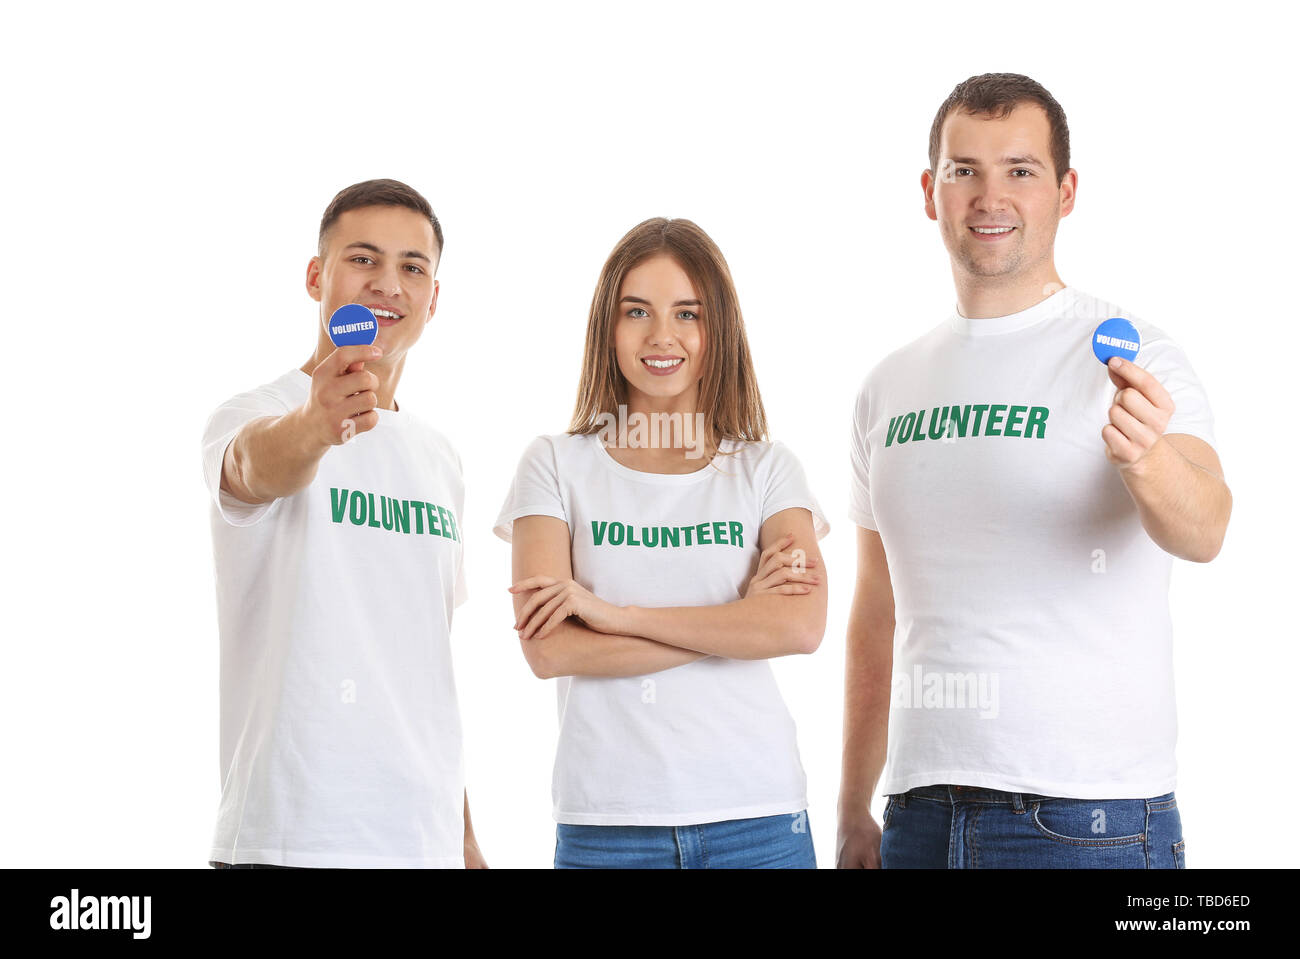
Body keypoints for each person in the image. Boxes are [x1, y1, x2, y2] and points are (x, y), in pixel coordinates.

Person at [836, 74, 1232, 869]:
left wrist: (1145, 458)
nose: (991, 196)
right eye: (964, 170)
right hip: (920, 813)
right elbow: (877, 610)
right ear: (930, 190)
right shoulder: (887, 386)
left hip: (1089, 818)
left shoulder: (1131, 355)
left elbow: (1206, 527)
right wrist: (852, 806)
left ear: (1066, 191)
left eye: (1020, 170)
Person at [494, 217, 829, 868]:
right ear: (608, 327)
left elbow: (798, 624)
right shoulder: (554, 465)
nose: (662, 336)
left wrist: (614, 616)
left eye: (687, 312)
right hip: (609, 826)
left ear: (718, 328)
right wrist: (734, 624)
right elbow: (551, 646)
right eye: (637, 311)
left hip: (758, 821)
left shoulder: (766, 467)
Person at [200, 179, 485, 868]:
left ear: (434, 298)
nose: (389, 283)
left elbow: (420, 669)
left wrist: (467, 842)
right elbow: (257, 466)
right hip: (291, 838)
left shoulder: (441, 459)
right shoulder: (251, 416)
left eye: (412, 267)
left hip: (424, 842)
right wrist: (314, 424)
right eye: (364, 259)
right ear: (315, 276)